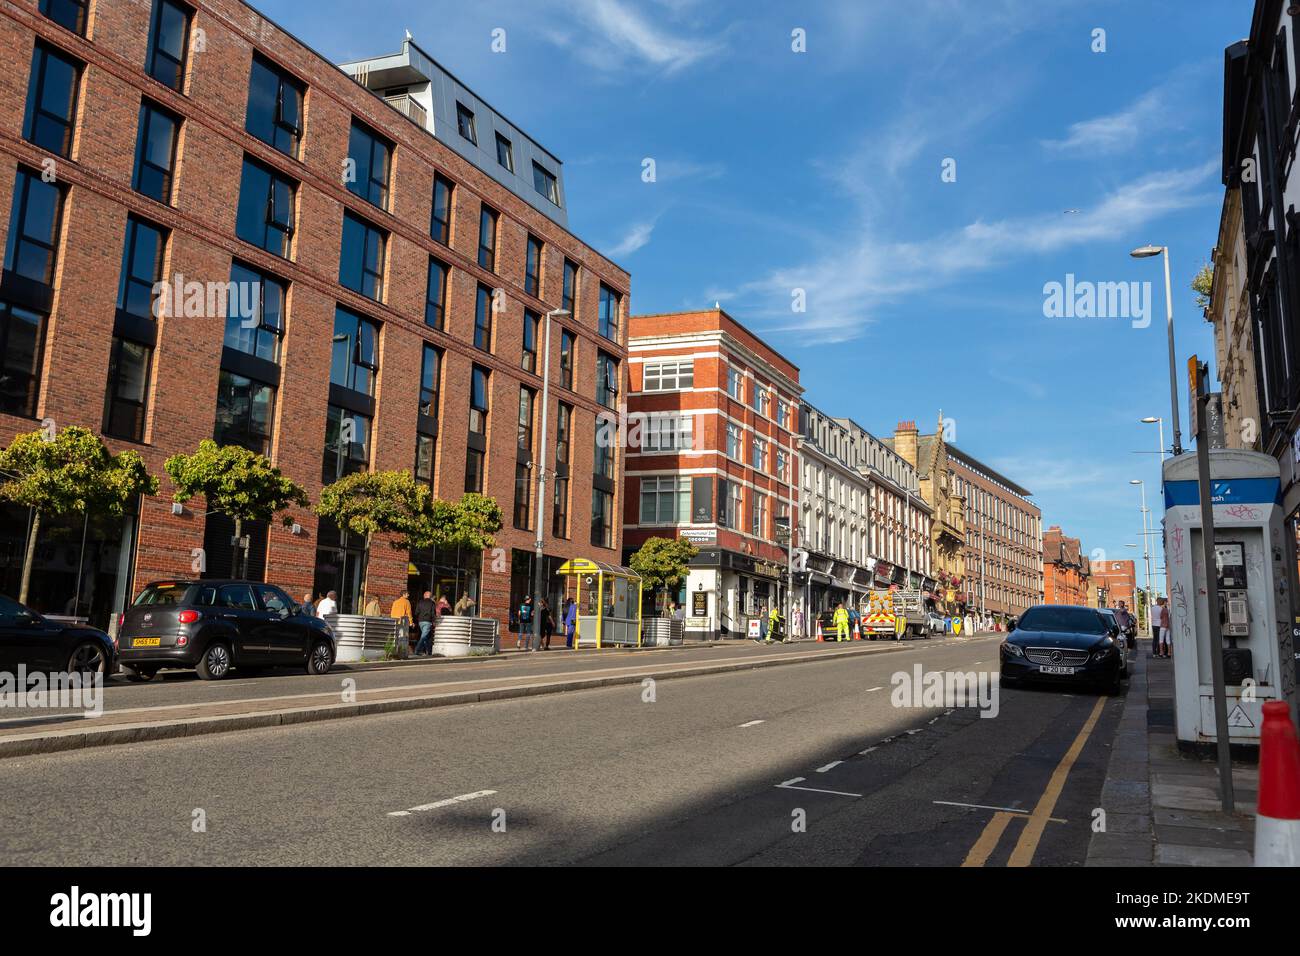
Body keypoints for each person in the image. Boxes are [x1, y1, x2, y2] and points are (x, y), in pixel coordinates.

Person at [413, 590, 437, 656]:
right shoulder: (432, 603)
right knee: (423, 637)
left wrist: (417, 620)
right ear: (430, 596)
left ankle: (428, 652)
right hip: (427, 621)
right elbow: (433, 613)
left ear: (424, 596)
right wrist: (434, 621)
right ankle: (417, 650)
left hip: (420, 622)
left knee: (425, 637)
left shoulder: (420, 602)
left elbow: (416, 612)